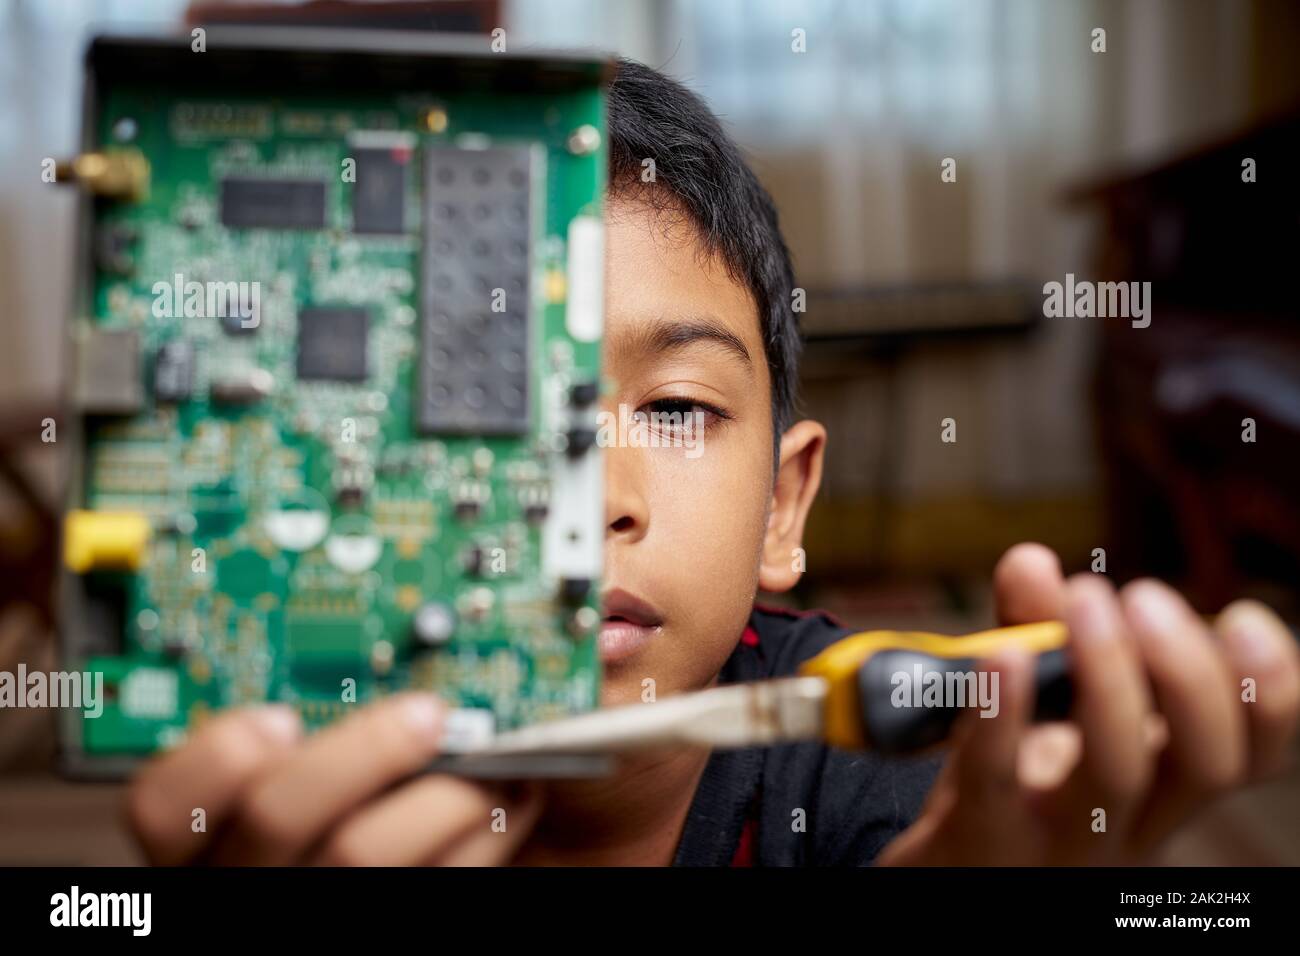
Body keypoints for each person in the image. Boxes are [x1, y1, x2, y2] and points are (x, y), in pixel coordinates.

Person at [127, 59, 1300, 866]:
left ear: (784, 504)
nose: (591, 500)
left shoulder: (877, 765)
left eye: (677, 407)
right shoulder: (279, 772)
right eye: (493, 419)